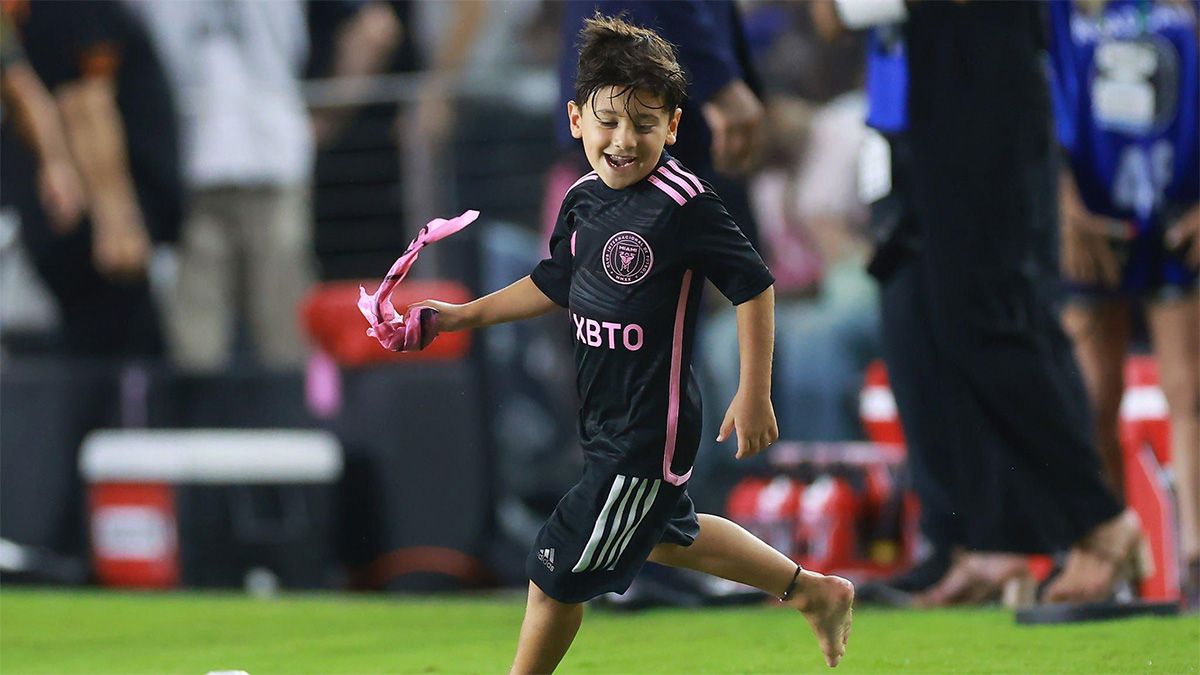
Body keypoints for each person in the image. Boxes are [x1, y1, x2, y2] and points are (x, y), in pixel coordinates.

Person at [409, 16, 853, 672]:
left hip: (650, 427)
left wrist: (753, 392)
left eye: (644, 125)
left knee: (554, 564)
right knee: (673, 536)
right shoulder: (584, 197)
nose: (623, 140)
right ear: (576, 118)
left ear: (673, 126)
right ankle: (812, 589)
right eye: (609, 121)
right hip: (605, 419)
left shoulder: (685, 201)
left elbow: (754, 287)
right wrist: (460, 316)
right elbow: (551, 280)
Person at [821, 0, 1149, 606]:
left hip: (985, 94)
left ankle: (1099, 524)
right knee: (932, 333)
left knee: (994, 319)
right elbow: (830, 17)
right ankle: (989, 539)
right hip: (913, 108)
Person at [1047, 0, 1199, 606]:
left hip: (1178, 199)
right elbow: (1031, 90)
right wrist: (1060, 203)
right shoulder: (1053, 12)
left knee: (1189, 389)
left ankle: (1194, 556)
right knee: (1092, 396)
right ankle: (1112, 551)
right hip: (1089, 209)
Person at [1, 0, 181, 358]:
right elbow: (86, 105)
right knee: (123, 354)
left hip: (77, 208)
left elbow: (28, 89)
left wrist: (56, 163)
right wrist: (116, 221)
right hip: (92, 218)